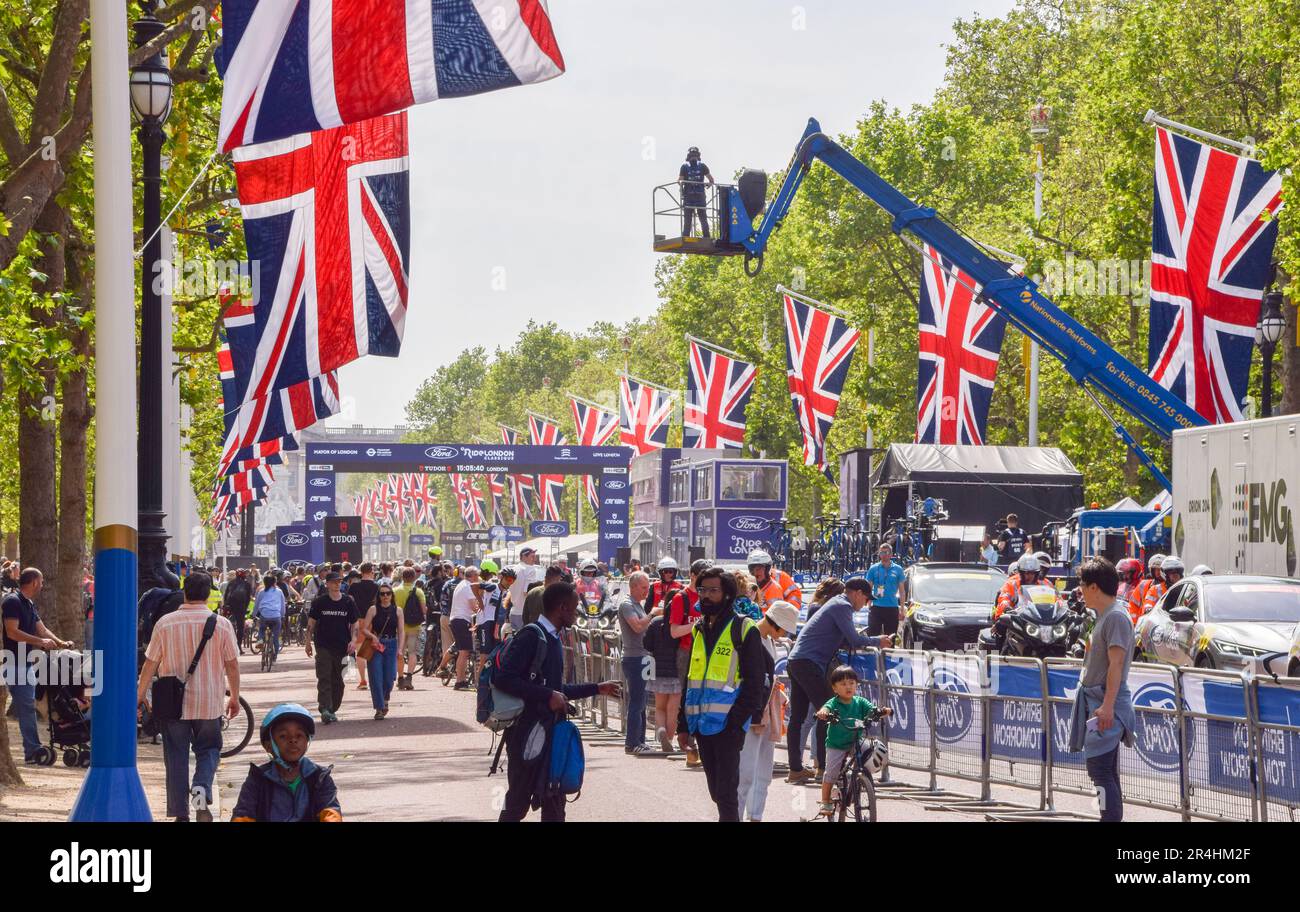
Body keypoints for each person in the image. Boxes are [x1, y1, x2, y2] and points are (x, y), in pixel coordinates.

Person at [495, 582, 621, 822]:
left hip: (552, 735)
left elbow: (556, 690)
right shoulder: (532, 636)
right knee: (517, 804)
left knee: (554, 803)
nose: (576, 614)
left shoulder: (552, 638)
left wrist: (597, 688)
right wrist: (547, 696)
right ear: (562, 608)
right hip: (527, 735)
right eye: (574, 608)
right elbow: (504, 678)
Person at [136, 572, 240, 822]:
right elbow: (232, 665)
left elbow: (150, 664)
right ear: (207, 594)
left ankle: (181, 814)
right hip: (209, 702)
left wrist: (139, 696)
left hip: (172, 705)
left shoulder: (165, 623)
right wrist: (234, 697)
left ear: (185, 592)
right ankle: (201, 790)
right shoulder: (221, 624)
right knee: (209, 749)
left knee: (176, 756)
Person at [680, 568, 768, 822]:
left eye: (713, 590)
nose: (706, 596)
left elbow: (754, 683)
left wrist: (735, 722)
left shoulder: (744, 628)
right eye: (702, 590)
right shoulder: (699, 629)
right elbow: (690, 679)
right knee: (717, 792)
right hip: (702, 724)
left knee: (727, 794)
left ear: (728, 594)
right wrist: (683, 723)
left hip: (728, 726)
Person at [784, 578, 892, 783]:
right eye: (867, 599)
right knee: (830, 711)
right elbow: (854, 639)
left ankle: (796, 768)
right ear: (858, 593)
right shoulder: (842, 605)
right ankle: (824, 769)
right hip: (809, 663)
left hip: (797, 660)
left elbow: (842, 639)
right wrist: (878, 640)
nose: (866, 604)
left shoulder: (835, 604)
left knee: (798, 718)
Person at [1068, 557, 1136, 822]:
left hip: (1107, 704)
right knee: (1105, 770)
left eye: (1082, 585)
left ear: (1095, 587)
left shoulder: (1116, 617)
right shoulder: (1104, 616)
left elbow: (1116, 665)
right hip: (1100, 701)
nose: (1080, 591)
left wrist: (1107, 706)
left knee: (1100, 770)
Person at [4, 568, 73, 763]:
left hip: (24, 664)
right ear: (34, 582)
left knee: (27, 707)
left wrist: (60, 642)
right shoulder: (12, 602)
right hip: (12, 663)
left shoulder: (28, 603)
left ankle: (32, 750)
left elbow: (41, 629)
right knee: (26, 707)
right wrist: (40, 642)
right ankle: (32, 751)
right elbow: (12, 632)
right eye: (41, 582)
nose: (42, 585)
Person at [737, 600, 798, 822]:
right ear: (776, 624)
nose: (784, 634)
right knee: (746, 770)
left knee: (763, 769)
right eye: (784, 629)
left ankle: (755, 815)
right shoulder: (750, 636)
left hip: (765, 709)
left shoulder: (767, 639)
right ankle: (736, 815)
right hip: (752, 711)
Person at [231, 703, 342, 822]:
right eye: (283, 736)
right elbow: (243, 815)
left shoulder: (320, 778)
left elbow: (331, 813)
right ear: (268, 746)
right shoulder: (257, 779)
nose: (293, 740)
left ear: (307, 740)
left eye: (299, 735)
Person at [813, 665, 892, 816]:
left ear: (856, 684)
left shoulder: (860, 702)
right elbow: (826, 708)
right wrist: (823, 713)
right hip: (836, 745)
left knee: (870, 752)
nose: (848, 686)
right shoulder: (834, 703)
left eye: (851, 683)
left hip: (856, 741)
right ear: (834, 688)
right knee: (831, 773)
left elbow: (873, 710)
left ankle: (858, 780)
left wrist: (882, 711)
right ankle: (825, 801)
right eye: (842, 684)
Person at [667, 558, 709, 766]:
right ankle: (690, 747)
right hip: (687, 652)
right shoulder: (681, 598)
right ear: (692, 575)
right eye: (702, 576)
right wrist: (697, 626)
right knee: (688, 699)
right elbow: (674, 631)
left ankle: (705, 745)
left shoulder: (711, 596)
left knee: (707, 698)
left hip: (709, 653)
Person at [304, 572, 359, 724]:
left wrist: (354, 640)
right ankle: (325, 709)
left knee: (339, 681)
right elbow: (311, 623)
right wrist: (308, 642)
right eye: (333, 582)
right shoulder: (320, 602)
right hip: (323, 645)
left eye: (339, 582)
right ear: (327, 584)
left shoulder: (348, 602)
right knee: (324, 677)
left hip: (342, 647)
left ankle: (332, 708)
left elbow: (355, 623)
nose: (336, 584)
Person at [616, 571, 654, 754]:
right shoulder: (626, 604)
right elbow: (638, 626)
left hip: (645, 658)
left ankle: (641, 740)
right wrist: (653, 614)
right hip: (634, 658)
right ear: (634, 586)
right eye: (644, 587)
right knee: (637, 701)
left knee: (643, 701)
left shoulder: (638, 605)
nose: (647, 591)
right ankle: (632, 742)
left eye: (648, 587)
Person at [360, 583, 401, 719]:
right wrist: (372, 637)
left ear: (392, 595)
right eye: (382, 594)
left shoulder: (398, 610)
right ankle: (379, 707)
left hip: (391, 644)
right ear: (379, 596)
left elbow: (401, 631)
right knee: (376, 677)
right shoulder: (373, 609)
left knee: (389, 678)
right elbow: (364, 628)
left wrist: (400, 649)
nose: (385, 596)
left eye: (388, 593)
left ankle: (385, 698)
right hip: (376, 645)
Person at [448, 565, 485, 690]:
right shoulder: (468, 587)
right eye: (477, 575)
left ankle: (461, 680)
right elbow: (474, 607)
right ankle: (460, 681)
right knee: (464, 652)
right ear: (473, 576)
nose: (479, 578)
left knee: (462, 651)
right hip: (461, 620)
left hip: (457, 620)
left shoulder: (462, 584)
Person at [393, 567, 425, 691]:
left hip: (399, 626)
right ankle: (409, 677)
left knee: (399, 652)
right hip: (414, 626)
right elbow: (423, 610)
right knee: (412, 652)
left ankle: (400, 678)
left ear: (402, 577)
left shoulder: (395, 591)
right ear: (413, 578)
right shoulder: (418, 592)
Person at [864, 544, 906, 635]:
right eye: (882, 552)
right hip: (876, 608)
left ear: (891, 554)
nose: (884, 555)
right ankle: (874, 650)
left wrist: (902, 609)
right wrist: (868, 605)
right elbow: (868, 588)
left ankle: (887, 650)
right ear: (879, 554)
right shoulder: (873, 568)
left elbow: (902, 591)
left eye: (886, 552)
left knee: (890, 637)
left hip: (892, 607)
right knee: (872, 636)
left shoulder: (898, 569)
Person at [992, 554, 1043, 621]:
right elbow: (1004, 598)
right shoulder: (1012, 584)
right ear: (1021, 573)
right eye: (1027, 573)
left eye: (1033, 573)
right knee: (1001, 625)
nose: (1030, 576)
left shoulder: (1043, 584)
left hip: (1038, 620)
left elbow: (1056, 600)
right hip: (1016, 619)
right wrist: (1006, 607)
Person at [679, 146, 714, 238]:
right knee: (699, 218)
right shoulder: (699, 166)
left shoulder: (687, 167)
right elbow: (711, 180)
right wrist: (708, 185)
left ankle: (687, 236)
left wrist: (683, 185)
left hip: (693, 197)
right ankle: (705, 236)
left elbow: (679, 181)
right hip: (695, 197)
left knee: (691, 218)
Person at [508, 547, 545, 630]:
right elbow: (527, 592)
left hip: (513, 613)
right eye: (532, 557)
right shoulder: (530, 570)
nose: (534, 559)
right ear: (524, 557)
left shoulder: (513, 569)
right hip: (524, 615)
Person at [521, 563, 565, 629]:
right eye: (559, 580)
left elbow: (525, 616)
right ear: (556, 579)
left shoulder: (532, 592)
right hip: (548, 633)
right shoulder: (555, 596)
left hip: (533, 631)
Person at [252, 573, 285, 662]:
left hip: (264, 615)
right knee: (276, 636)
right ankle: (274, 655)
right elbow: (282, 605)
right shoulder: (279, 591)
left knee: (262, 629)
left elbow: (256, 605)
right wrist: (282, 615)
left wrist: (253, 615)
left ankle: (260, 641)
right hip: (276, 617)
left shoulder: (261, 592)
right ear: (274, 582)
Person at [222, 569, 253, 655]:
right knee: (240, 628)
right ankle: (238, 646)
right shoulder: (247, 584)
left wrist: (225, 606)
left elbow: (226, 595)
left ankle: (227, 646)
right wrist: (245, 608)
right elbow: (247, 598)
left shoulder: (231, 583)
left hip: (230, 607)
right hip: (241, 608)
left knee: (227, 625)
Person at [1115, 557, 1145, 624]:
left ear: (1135, 573)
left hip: (1137, 623)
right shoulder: (1121, 587)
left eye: (1127, 573)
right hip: (1120, 618)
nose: (1124, 576)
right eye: (1123, 573)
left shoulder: (1143, 587)